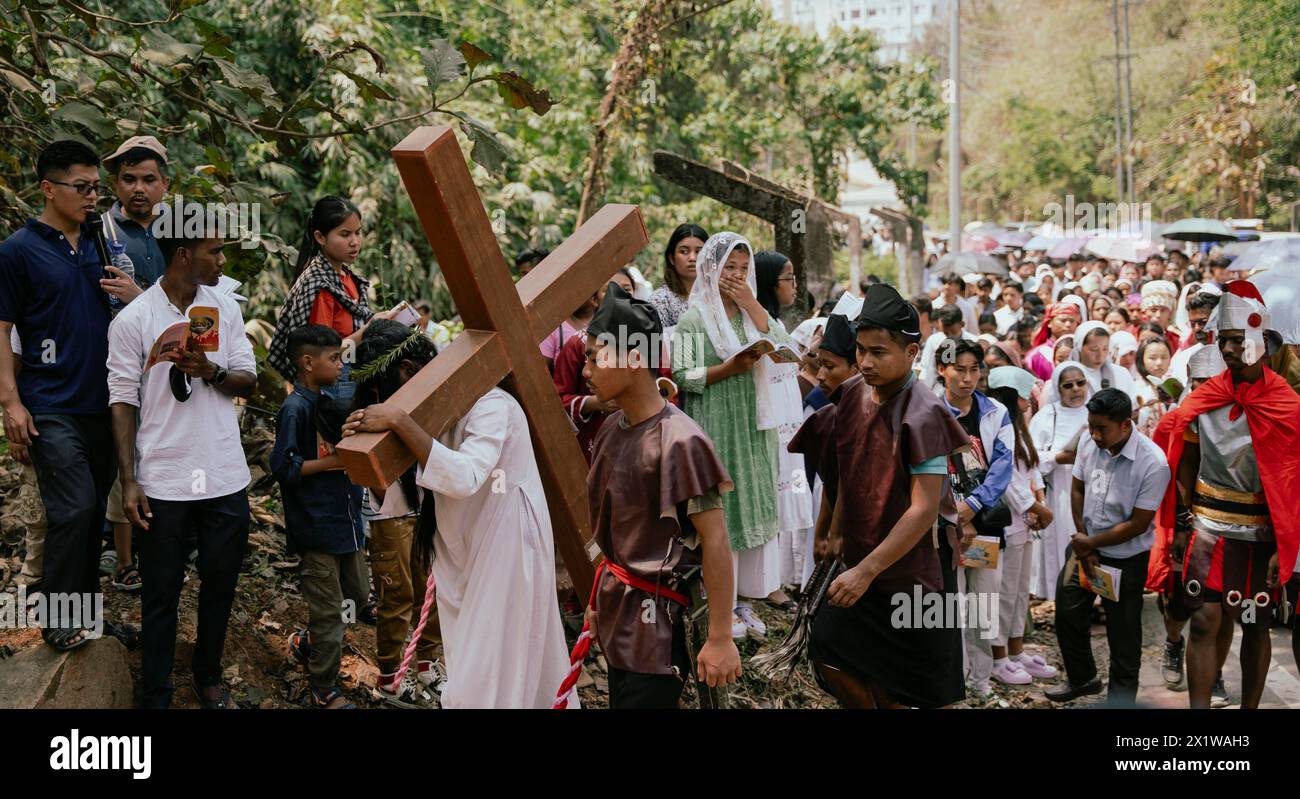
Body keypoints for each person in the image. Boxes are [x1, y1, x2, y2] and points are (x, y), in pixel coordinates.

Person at [342, 320, 575, 708]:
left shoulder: (491, 405)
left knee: (495, 668)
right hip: (459, 554)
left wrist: (400, 421)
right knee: (472, 662)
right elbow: (403, 500)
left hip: (508, 550)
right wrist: (366, 450)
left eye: (389, 395)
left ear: (410, 373)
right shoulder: (427, 419)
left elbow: (464, 476)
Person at [108, 227, 257, 708]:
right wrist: (130, 479)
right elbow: (122, 399)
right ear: (182, 254)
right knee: (160, 593)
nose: (220, 261)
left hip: (223, 475)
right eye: (213, 252)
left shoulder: (225, 308)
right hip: (165, 478)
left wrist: (209, 371)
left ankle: (207, 675)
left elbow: (248, 381)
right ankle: (155, 689)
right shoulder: (135, 318)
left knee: (219, 584)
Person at [804, 284, 970, 708]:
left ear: (912, 352)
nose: (865, 362)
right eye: (860, 350)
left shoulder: (925, 412)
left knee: (918, 689)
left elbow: (923, 509)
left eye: (879, 352)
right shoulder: (855, 393)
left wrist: (866, 572)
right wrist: (834, 530)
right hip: (863, 558)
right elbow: (847, 470)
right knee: (827, 647)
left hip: (917, 570)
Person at [581, 283, 742, 708]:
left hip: (657, 626)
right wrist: (598, 603)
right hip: (619, 609)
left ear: (635, 358)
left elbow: (716, 541)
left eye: (595, 355)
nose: (586, 369)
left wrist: (721, 637)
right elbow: (611, 534)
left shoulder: (680, 442)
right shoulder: (614, 430)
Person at [1151, 282, 1300, 709]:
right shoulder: (1205, 397)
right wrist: (1182, 524)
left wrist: (1282, 544)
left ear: (1259, 341)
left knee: (1254, 624)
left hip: (1258, 536)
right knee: (1203, 621)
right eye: (1224, 341)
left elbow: (1291, 479)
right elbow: (1186, 460)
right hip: (1208, 529)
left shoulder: (1286, 404)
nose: (1229, 349)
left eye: (1237, 340)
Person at [0, 141, 122, 651]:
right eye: (82, 187)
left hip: (105, 402)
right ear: (49, 189)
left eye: (97, 187)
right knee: (73, 507)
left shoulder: (100, 242)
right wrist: (10, 402)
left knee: (93, 513)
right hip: (50, 402)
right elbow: (2, 329)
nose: (93, 196)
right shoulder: (18, 251)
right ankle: (54, 618)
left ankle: (86, 615)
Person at [672, 233, 792, 641]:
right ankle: (715, 601)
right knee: (720, 510)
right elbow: (683, 376)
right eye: (730, 269)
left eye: (744, 270)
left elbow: (785, 350)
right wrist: (730, 368)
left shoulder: (748, 316)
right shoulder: (694, 319)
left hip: (753, 425)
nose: (737, 276)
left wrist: (751, 304)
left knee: (749, 501)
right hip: (715, 423)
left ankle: (743, 598)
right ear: (711, 269)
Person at [1046, 389, 1170, 705]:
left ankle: (1121, 701)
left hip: (1126, 559)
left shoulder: (1153, 462)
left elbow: (1138, 524)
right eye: (1091, 426)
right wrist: (1085, 542)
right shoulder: (1089, 443)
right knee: (1068, 613)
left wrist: (1093, 543)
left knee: (1123, 636)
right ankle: (1082, 678)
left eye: (1103, 428)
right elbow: (1077, 488)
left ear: (1126, 424)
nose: (1094, 435)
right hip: (1085, 547)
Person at [269, 325, 369, 709]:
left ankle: (307, 642)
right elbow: (285, 467)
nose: (341, 364)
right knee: (329, 612)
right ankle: (323, 687)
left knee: (357, 599)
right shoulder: (295, 408)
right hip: (316, 525)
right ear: (308, 363)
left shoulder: (327, 401)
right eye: (333, 358)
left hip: (347, 524)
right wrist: (333, 462)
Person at [1146, 345, 1233, 702]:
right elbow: (1160, 475)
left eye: (1210, 381)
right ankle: (1172, 642)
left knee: (1224, 605)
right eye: (1197, 382)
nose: (1203, 389)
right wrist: (1177, 524)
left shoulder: (1236, 419)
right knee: (1179, 599)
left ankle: (1214, 674)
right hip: (1178, 522)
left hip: (1227, 523)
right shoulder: (1173, 421)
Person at [937, 339, 1014, 697]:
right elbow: (929, 468)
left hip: (984, 525)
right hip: (943, 525)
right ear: (943, 370)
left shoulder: (995, 412)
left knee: (983, 606)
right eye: (959, 369)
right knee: (951, 607)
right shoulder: (931, 411)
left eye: (974, 370)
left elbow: (1002, 465)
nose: (967, 378)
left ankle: (980, 682)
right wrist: (955, 512)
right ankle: (953, 682)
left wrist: (973, 506)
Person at [268, 196, 385, 399]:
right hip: (334, 385)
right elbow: (322, 355)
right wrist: (368, 331)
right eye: (345, 234)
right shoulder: (320, 286)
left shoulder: (346, 277)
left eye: (358, 232)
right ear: (320, 237)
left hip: (350, 376)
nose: (355, 242)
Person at [986, 367, 1058, 685]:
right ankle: (998, 657)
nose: (1031, 398)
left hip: (1026, 524)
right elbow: (1008, 480)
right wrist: (1032, 506)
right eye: (1026, 394)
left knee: (1018, 593)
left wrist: (1038, 500)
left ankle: (1015, 652)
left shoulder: (1020, 429)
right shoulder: (1001, 431)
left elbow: (1031, 470)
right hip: (1010, 524)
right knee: (1003, 592)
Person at [755, 250, 814, 605]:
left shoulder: (775, 323)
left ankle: (776, 581)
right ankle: (769, 584)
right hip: (770, 423)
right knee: (771, 497)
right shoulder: (759, 323)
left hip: (784, 420)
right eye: (788, 278)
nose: (794, 285)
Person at [551, 270, 635, 462]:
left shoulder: (649, 341)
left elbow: (665, 383)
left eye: (626, 289)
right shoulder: (577, 343)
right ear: (595, 300)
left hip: (641, 436)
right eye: (608, 290)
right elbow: (558, 399)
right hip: (595, 440)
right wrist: (595, 403)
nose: (618, 295)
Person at [1028, 361, 1092, 600]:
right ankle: (1061, 597)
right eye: (1068, 385)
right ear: (1058, 388)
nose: (1075, 389)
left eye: (1080, 383)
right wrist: (1059, 457)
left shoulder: (1094, 411)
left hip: (1091, 490)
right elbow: (1031, 459)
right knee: (1060, 542)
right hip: (1060, 491)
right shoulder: (1047, 416)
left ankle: (1091, 598)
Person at [104, 135, 169, 289]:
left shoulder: (183, 230)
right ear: (115, 183)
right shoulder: (101, 232)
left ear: (165, 184)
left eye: (149, 180)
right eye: (129, 179)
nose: (139, 188)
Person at [648, 223, 707, 330]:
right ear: (671, 258)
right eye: (684, 251)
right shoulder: (660, 300)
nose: (692, 258)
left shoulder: (717, 296)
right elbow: (656, 343)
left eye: (699, 252)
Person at [1167, 290, 1220, 386]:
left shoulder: (1230, 355)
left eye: (1203, 322)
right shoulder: (1184, 357)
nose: (1196, 328)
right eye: (1192, 323)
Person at [1024, 303, 1080, 381]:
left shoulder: (1081, 350)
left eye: (1072, 321)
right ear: (1049, 323)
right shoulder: (1035, 355)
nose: (1068, 324)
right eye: (1063, 320)